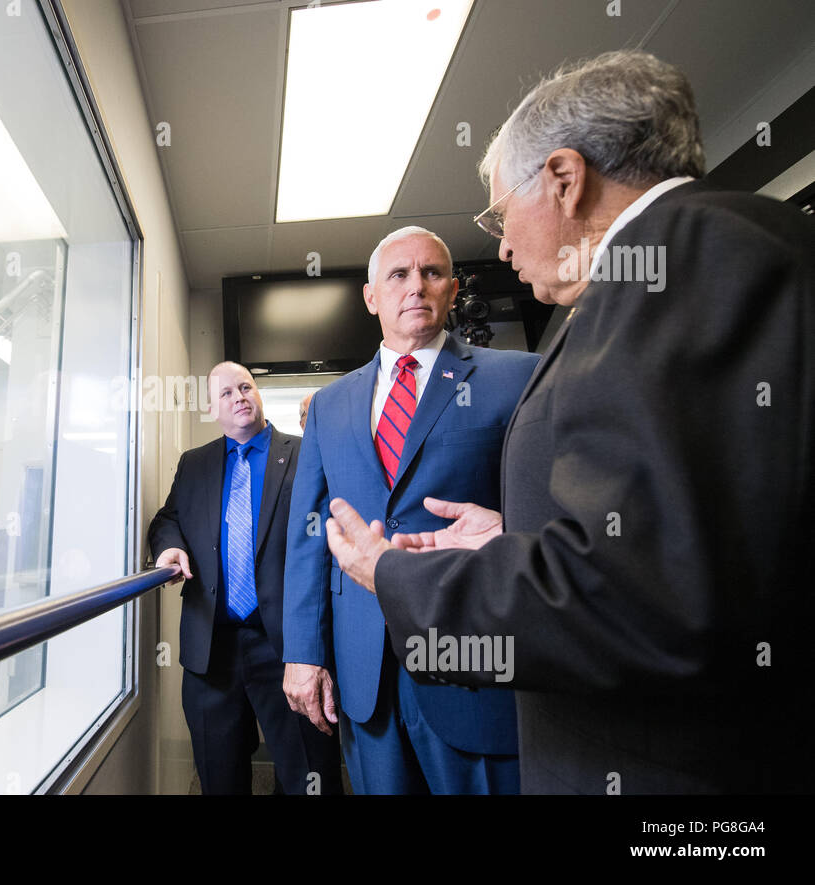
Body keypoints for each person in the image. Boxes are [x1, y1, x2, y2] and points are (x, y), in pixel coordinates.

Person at [324, 49, 815, 793]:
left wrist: (392, 572)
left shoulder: (677, 264)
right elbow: (688, 537)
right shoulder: (680, 265)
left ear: (563, 178)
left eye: (498, 211)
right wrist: (516, 536)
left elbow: (634, 598)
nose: (501, 244)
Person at [282, 227, 539, 794]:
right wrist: (303, 652)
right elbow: (307, 537)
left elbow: (550, 509)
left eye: (431, 273)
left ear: (452, 289)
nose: (415, 287)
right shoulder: (330, 405)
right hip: (364, 670)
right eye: (398, 275)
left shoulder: (516, 378)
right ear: (372, 297)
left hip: (472, 661)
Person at [149, 361, 342, 794]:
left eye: (245, 387)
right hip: (210, 649)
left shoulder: (305, 453)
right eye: (226, 393)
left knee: (309, 775)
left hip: (288, 647)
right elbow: (167, 519)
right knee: (219, 779)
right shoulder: (193, 464)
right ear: (212, 409)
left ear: (258, 394)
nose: (239, 396)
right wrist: (169, 546)